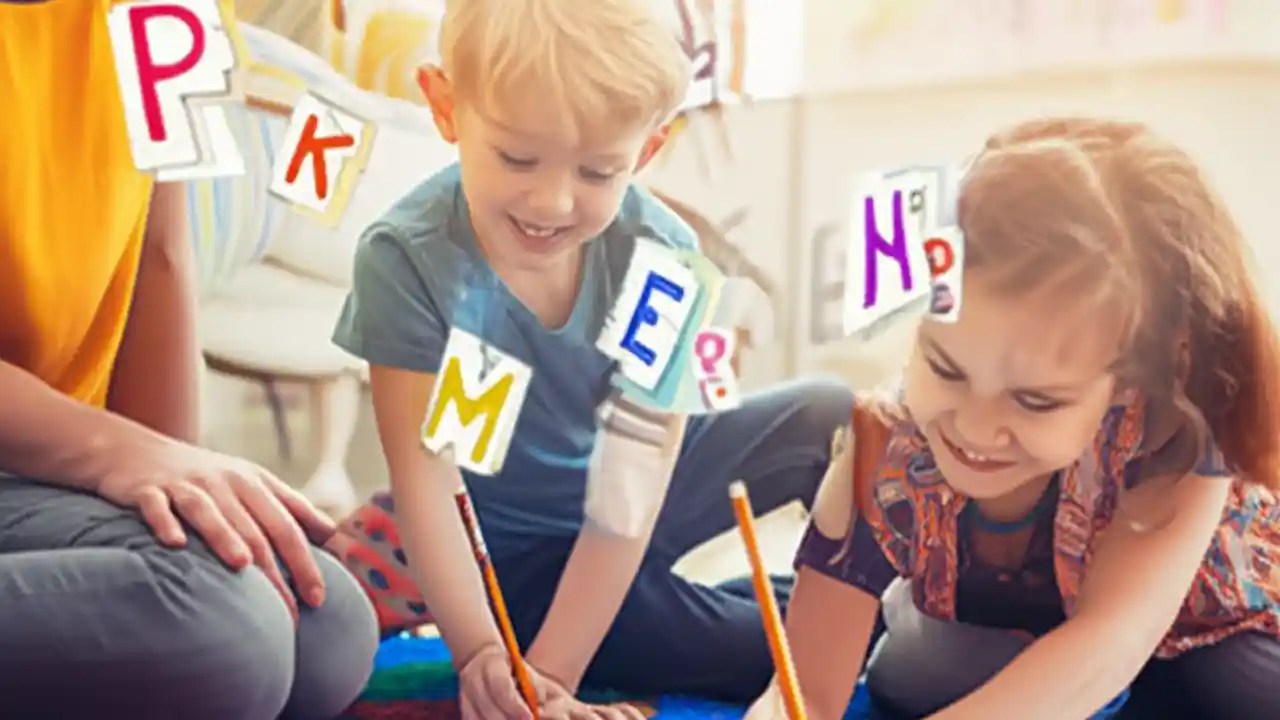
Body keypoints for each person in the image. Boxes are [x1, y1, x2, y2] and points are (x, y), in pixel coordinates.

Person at [324, 0, 851, 716]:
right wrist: (500, 658)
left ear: (646, 152)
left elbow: (629, 497)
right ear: (447, 108)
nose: (553, 201)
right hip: (515, 556)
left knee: (833, 414)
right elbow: (427, 485)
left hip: (634, 492)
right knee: (773, 649)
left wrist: (557, 673)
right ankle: (823, 618)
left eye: (600, 172)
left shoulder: (663, 260)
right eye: (517, 157)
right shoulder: (406, 259)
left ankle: (886, 595)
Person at [745, 118, 1280, 720]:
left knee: (1240, 688)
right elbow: (804, 695)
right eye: (945, 368)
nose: (975, 428)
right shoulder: (880, 448)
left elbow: (1106, 646)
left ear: (1131, 378)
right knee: (919, 677)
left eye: (1036, 401)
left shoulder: (1179, 428)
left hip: (1213, 640)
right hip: (986, 639)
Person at [0, 2, 378, 718]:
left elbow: (160, 255)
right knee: (228, 632)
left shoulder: (163, 13)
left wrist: (187, 492)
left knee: (322, 625)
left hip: (29, 477)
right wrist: (114, 453)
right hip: (39, 457)